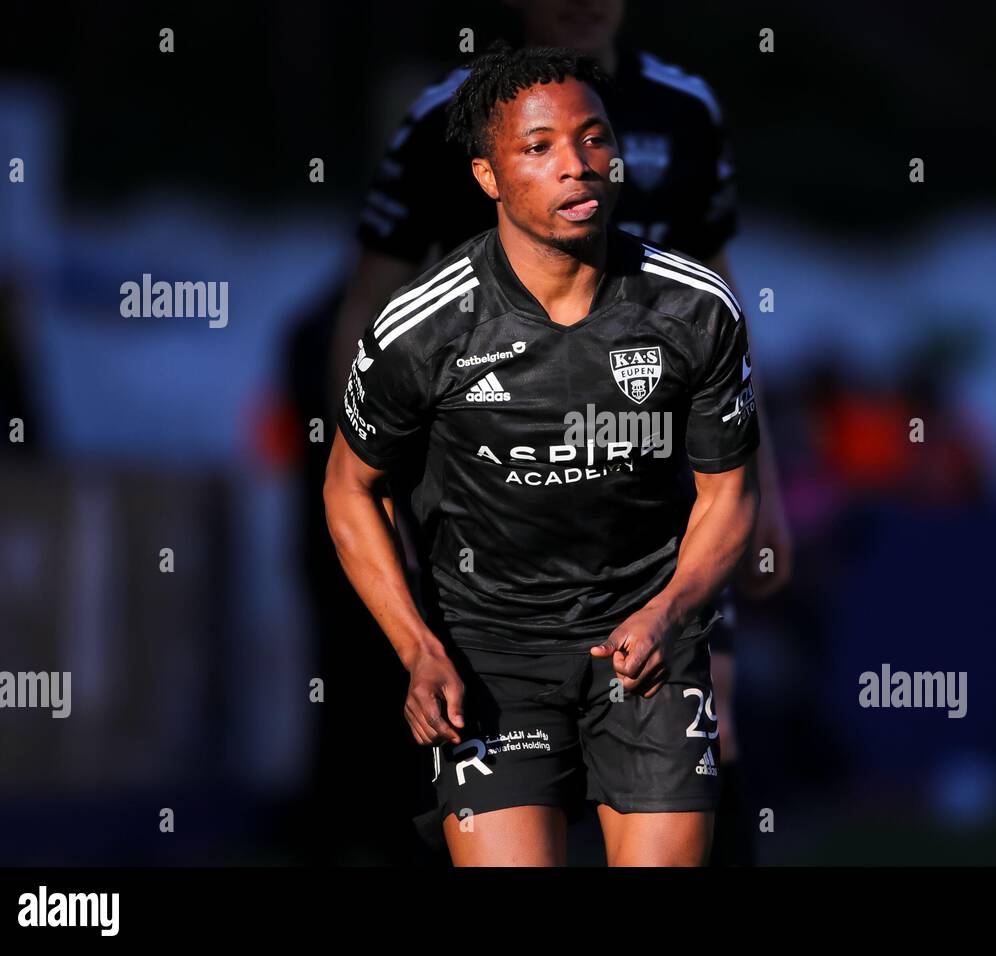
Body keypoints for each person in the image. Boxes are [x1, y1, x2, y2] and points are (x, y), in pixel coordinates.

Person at [327, 0, 791, 865]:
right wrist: (419, 647)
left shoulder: (695, 309)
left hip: (647, 644)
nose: (575, 167)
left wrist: (673, 609)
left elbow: (731, 490)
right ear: (487, 177)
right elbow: (350, 485)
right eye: (538, 149)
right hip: (490, 655)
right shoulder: (420, 330)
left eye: (592, 141)